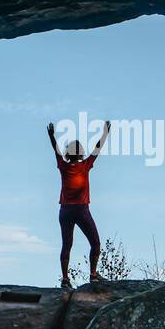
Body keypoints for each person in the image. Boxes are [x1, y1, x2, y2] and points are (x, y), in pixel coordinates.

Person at [47, 120, 110, 289]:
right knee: (95, 243)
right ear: (81, 153)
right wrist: (105, 133)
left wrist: (52, 135)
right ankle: (93, 275)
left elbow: (57, 151)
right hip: (81, 210)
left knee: (67, 244)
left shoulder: (63, 166)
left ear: (69, 154)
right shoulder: (85, 165)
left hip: (65, 211)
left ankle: (65, 279)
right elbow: (97, 148)